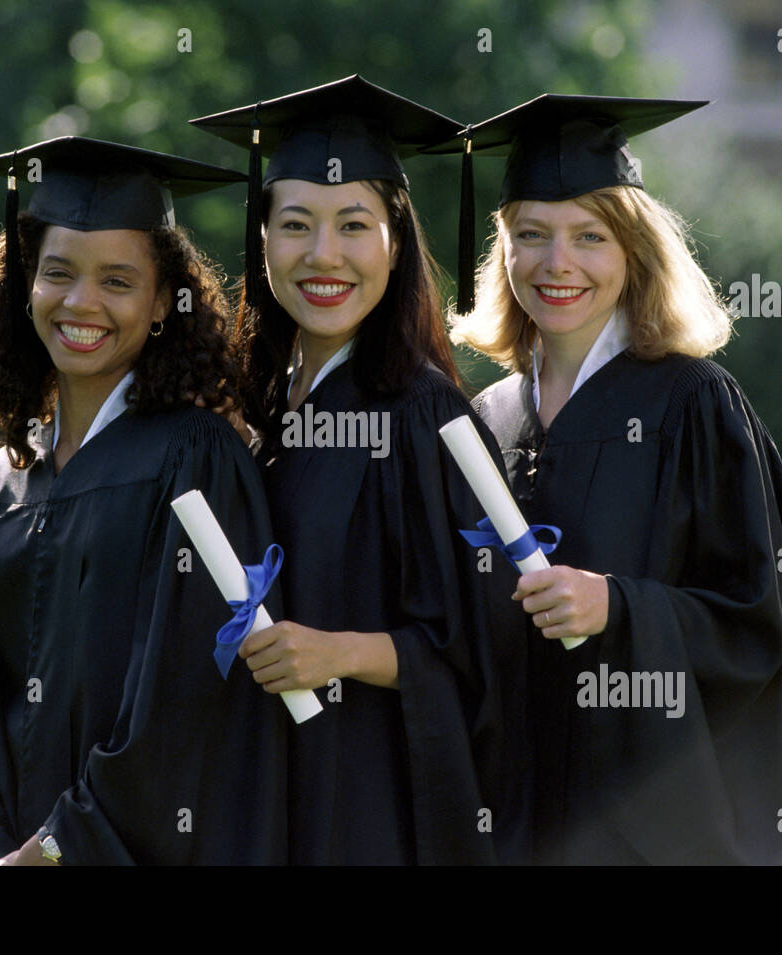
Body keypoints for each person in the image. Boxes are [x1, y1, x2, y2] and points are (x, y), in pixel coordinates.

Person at [442, 94, 782, 864]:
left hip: (653, 829)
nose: (559, 263)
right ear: (504, 251)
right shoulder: (485, 421)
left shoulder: (693, 406)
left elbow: (757, 621)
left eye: (590, 236)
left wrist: (618, 606)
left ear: (634, 252)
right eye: (532, 235)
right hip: (515, 823)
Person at [191, 75, 530, 865]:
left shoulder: (425, 414)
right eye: (296, 225)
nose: (324, 255)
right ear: (262, 240)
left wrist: (341, 652)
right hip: (254, 800)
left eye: (354, 224)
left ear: (395, 242)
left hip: (372, 806)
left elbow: (489, 645)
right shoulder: (248, 410)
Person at [0, 136, 288, 865]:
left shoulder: (196, 459)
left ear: (161, 303)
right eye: (58, 273)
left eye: (118, 281)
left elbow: (189, 701)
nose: (82, 302)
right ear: (25, 284)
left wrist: (53, 850)